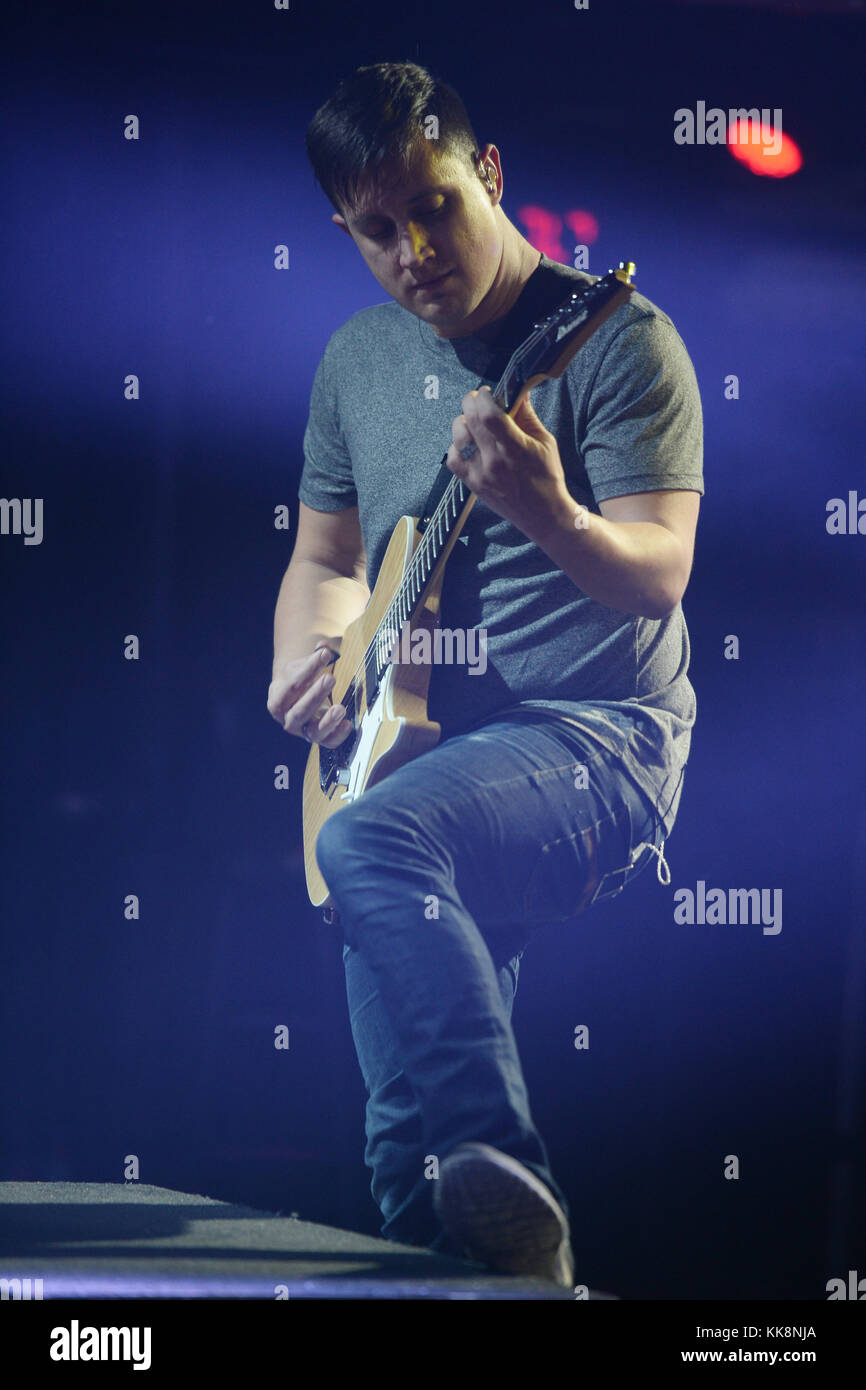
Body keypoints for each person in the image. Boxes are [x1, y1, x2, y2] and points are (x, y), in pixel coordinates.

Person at [267, 61, 704, 1288]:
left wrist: (552, 512)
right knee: (403, 1166)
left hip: (598, 739)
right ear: (342, 234)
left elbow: (659, 572)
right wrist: (310, 659)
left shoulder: (613, 339)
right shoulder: (357, 362)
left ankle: (508, 1169)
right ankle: (520, 1277)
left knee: (370, 852)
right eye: (376, 230)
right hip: (419, 760)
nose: (413, 247)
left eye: (436, 206)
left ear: (488, 175)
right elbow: (325, 557)